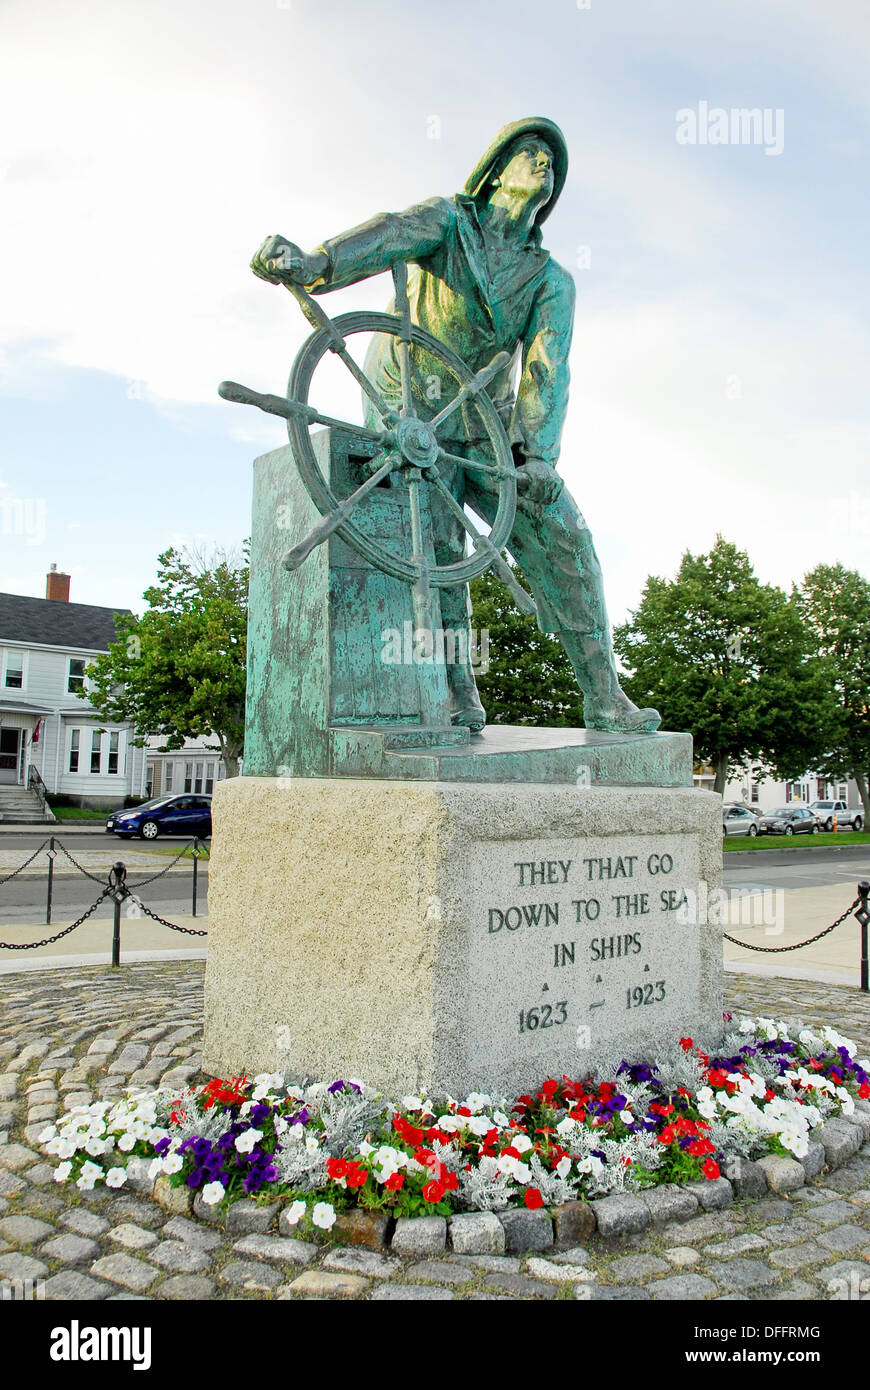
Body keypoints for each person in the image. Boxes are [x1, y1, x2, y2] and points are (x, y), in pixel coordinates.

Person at [251, 117, 660, 736]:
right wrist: (314, 265)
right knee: (436, 546)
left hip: (491, 427)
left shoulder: (551, 280)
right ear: (495, 170)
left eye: (552, 162)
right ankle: (455, 688)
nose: (544, 165)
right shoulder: (447, 221)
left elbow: (547, 370)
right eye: (530, 153)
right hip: (409, 403)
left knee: (566, 537)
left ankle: (604, 694)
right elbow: (387, 236)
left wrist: (538, 454)